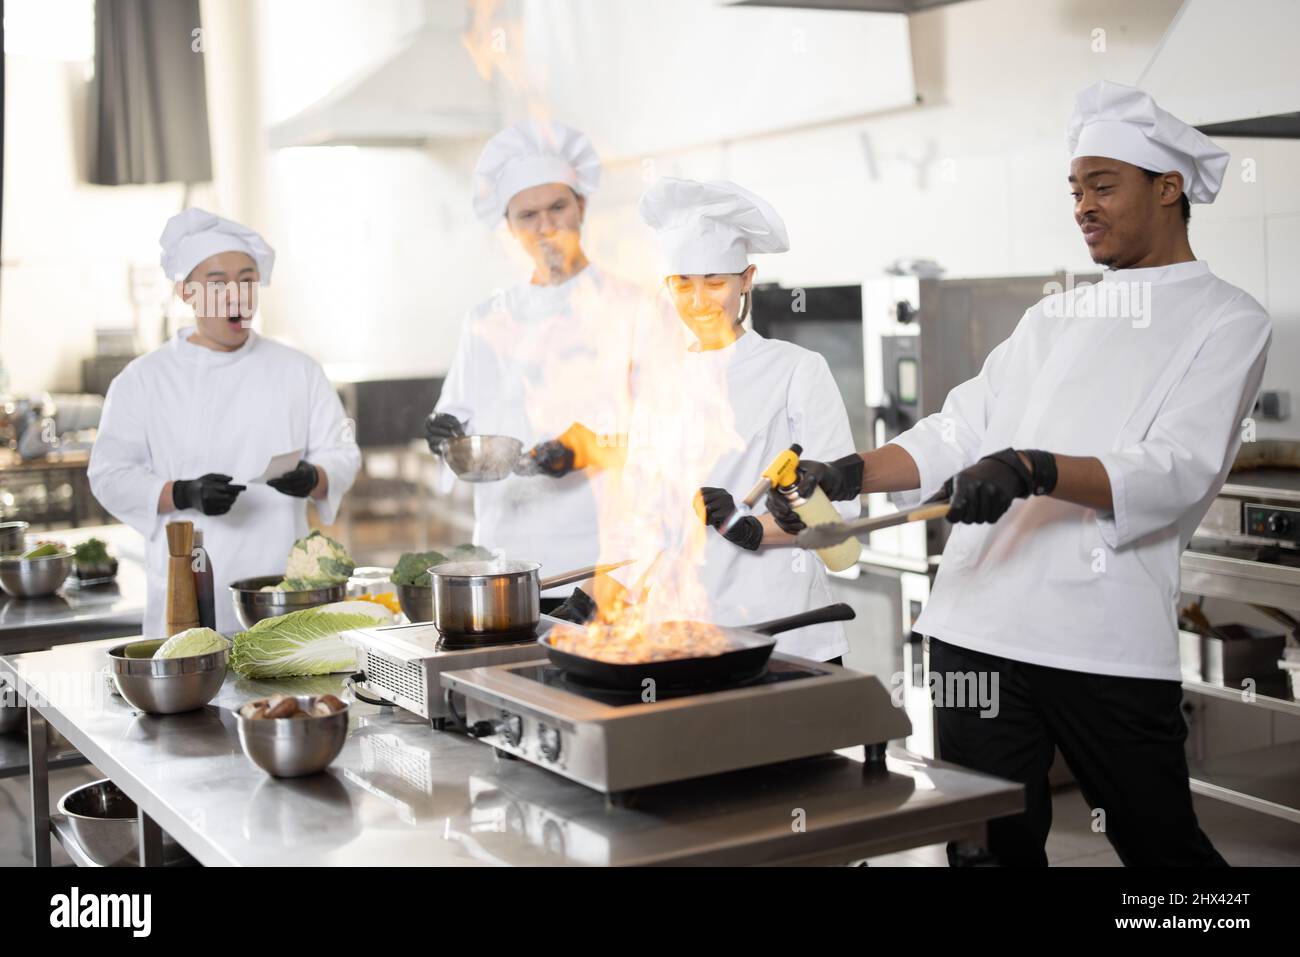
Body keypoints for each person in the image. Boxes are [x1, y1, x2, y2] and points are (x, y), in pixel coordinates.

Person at [768, 81, 1270, 865]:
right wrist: (849, 470)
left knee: (1162, 849)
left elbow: (1172, 469)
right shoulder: (1053, 316)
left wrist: (1031, 467)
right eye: (1075, 190)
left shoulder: (1228, 318)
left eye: (1103, 186)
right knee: (984, 850)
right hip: (976, 629)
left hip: (1103, 642)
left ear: (1169, 187)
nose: (1083, 206)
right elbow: (955, 430)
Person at [601, 177, 860, 663]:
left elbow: (840, 518)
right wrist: (603, 592)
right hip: (680, 637)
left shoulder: (796, 371)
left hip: (783, 637)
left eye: (715, 283)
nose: (698, 302)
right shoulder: (656, 376)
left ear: (747, 279)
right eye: (682, 284)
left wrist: (756, 526)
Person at [89, 209, 361, 636]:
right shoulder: (143, 380)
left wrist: (316, 476)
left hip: (281, 592)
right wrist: (180, 492)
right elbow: (108, 475)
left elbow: (342, 450)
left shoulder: (298, 370)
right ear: (186, 293)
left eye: (248, 280)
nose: (236, 295)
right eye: (217, 283)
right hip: (187, 590)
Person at [425, 120, 648, 593]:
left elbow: (668, 437)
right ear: (508, 226)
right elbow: (458, 426)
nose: (546, 226)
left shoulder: (634, 308)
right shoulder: (485, 319)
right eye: (528, 215)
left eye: (558, 207)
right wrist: (441, 434)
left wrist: (585, 451)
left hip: (601, 560)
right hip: (502, 558)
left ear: (582, 206)